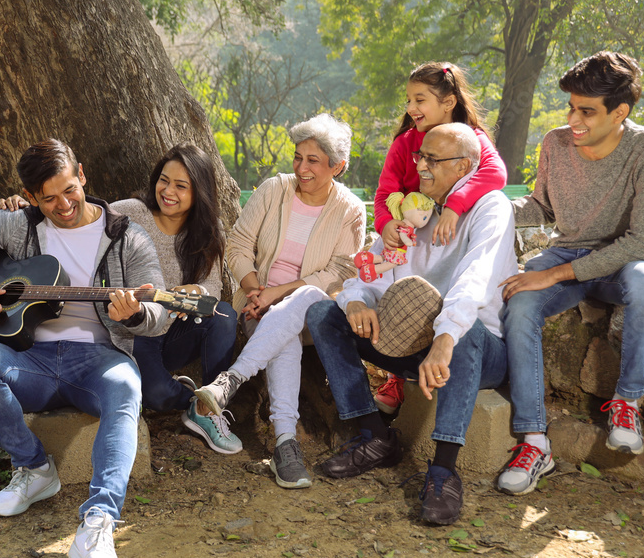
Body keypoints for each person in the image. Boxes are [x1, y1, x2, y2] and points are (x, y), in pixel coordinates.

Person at [0, 139, 169, 558]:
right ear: (31, 196)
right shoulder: (16, 226)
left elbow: (162, 315)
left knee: (127, 389)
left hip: (98, 359)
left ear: (82, 174)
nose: (63, 205)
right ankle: (34, 469)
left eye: (69, 190)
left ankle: (98, 525)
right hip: (27, 355)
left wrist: (136, 314)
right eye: (48, 198)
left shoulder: (127, 237)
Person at [305, 123, 517, 524]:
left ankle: (443, 471)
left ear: (464, 167)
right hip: (413, 345)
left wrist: (444, 339)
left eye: (433, 160)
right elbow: (366, 276)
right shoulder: (412, 211)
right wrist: (354, 304)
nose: (420, 166)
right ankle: (374, 436)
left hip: (475, 350)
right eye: (421, 156)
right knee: (322, 314)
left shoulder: (491, 207)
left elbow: (473, 283)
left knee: (465, 328)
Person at [497, 52, 644, 496]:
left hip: (622, 262)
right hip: (568, 254)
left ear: (620, 113)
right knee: (519, 304)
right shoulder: (555, 143)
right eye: (571, 107)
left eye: (586, 111)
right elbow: (542, 207)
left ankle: (625, 403)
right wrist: (485, 208)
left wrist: (556, 276)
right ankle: (535, 442)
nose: (573, 119)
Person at [0, 144, 239, 453]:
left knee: (224, 316)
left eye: (181, 186)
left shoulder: (207, 229)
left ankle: (211, 408)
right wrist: (28, 208)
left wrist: (199, 291)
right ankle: (191, 400)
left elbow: (213, 291)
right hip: (133, 330)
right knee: (159, 397)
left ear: (200, 191)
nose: (168, 191)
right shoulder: (130, 211)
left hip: (177, 328)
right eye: (164, 180)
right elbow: (74, 219)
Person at [193, 113, 365, 487]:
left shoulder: (351, 208)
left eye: (313, 161)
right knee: (282, 335)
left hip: (313, 313)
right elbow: (238, 246)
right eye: (298, 157)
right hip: (256, 303)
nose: (301, 168)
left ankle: (231, 380)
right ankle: (286, 443)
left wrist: (277, 293)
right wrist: (257, 290)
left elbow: (339, 273)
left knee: (302, 297)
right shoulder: (273, 190)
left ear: (339, 166)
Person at [368, 61, 508, 419]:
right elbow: (385, 192)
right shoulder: (404, 143)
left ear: (448, 102)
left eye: (421, 99)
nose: (412, 108)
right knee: (396, 294)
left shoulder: (472, 140)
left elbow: (495, 173)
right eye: (409, 100)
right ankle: (398, 373)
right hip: (414, 242)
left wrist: (454, 207)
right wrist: (385, 224)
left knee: (452, 304)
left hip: (449, 243)